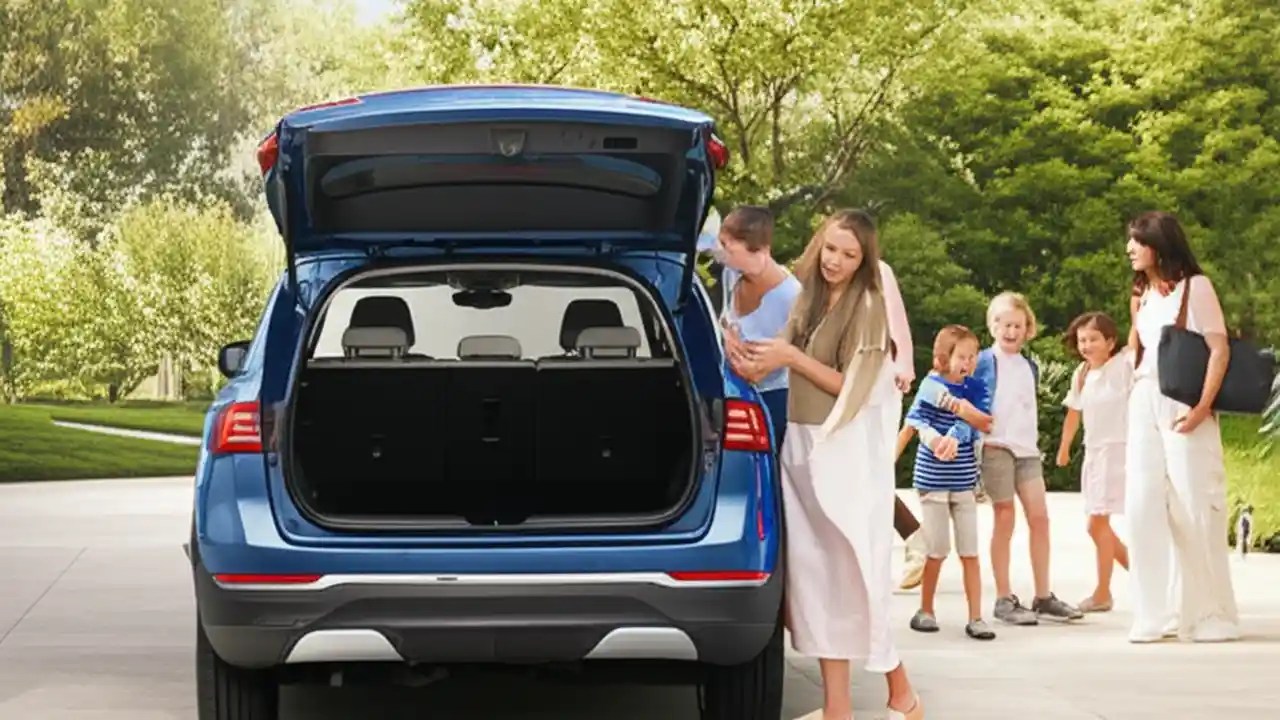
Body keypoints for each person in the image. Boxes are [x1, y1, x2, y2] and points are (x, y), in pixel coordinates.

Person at [744, 209, 923, 720]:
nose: (836, 261)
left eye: (850, 254)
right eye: (830, 249)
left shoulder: (868, 305)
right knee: (818, 579)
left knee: (855, 575)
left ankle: (902, 695)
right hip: (799, 448)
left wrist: (788, 359)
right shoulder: (811, 296)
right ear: (817, 244)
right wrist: (746, 358)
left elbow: (855, 386)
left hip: (839, 452)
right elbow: (780, 355)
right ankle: (840, 708)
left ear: (865, 259)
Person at [1124, 210, 1239, 643]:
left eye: (1137, 240)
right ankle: (1154, 612)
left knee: (1195, 502)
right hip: (1143, 398)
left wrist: (1203, 405)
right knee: (1141, 505)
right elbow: (1138, 351)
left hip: (1184, 401)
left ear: (1159, 243)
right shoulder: (1143, 293)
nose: (1129, 248)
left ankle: (1211, 613)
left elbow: (1219, 349)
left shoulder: (1197, 287)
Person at [973, 292, 1082, 625]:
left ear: (1027, 328)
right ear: (993, 325)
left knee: (1040, 518)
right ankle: (1004, 598)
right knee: (1004, 517)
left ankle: (1043, 595)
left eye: (1018, 326)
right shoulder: (983, 361)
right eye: (1005, 324)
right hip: (996, 447)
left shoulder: (1029, 365)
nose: (1011, 331)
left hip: (1026, 450)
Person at [902, 325, 996, 641]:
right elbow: (915, 419)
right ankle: (925, 610)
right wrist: (933, 438)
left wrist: (955, 438)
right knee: (936, 550)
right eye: (961, 356)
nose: (967, 363)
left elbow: (976, 422)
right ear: (945, 356)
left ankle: (976, 617)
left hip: (963, 481)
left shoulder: (978, 388)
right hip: (932, 480)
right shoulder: (930, 385)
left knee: (970, 551)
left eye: (972, 357)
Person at [1055, 311, 1132, 613]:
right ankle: (1143, 577)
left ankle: (1103, 592)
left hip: (1120, 451)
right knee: (1097, 523)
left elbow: (1140, 334)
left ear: (1111, 342)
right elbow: (1074, 412)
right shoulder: (1082, 373)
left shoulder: (1124, 364)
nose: (1086, 345)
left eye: (1094, 339)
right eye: (1082, 340)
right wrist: (1064, 447)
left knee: (1097, 523)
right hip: (1095, 452)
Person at [716, 206, 802, 448]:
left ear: (761, 250)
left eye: (729, 248)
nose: (722, 253)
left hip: (773, 399)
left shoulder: (791, 297)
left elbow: (798, 356)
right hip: (731, 389)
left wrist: (755, 366)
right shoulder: (730, 274)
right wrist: (725, 335)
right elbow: (725, 321)